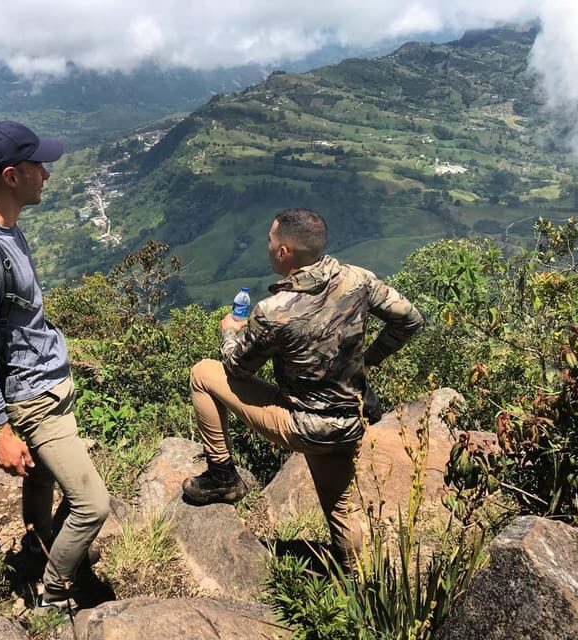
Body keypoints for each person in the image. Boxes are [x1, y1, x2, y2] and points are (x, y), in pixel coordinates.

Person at [182, 208, 424, 572]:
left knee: (203, 373)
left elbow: (237, 368)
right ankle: (360, 587)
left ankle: (222, 476)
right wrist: (370, 360)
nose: (268, 246)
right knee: (342, 510)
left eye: (270, 240)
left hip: (301, 424)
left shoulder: (274, 311)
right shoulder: (358, 280)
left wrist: (230, 330)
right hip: (347, 423)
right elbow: (409, 319)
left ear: (283, 253)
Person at [0, 121, 109, 608]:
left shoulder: (6, 230)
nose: (48, 174)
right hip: (31, 399)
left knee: (41, 479)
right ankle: (57, 593)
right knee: (93, 504)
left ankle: (38, 556)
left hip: (45, 384)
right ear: (12, 176)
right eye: (40, 166)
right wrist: (1, 429)